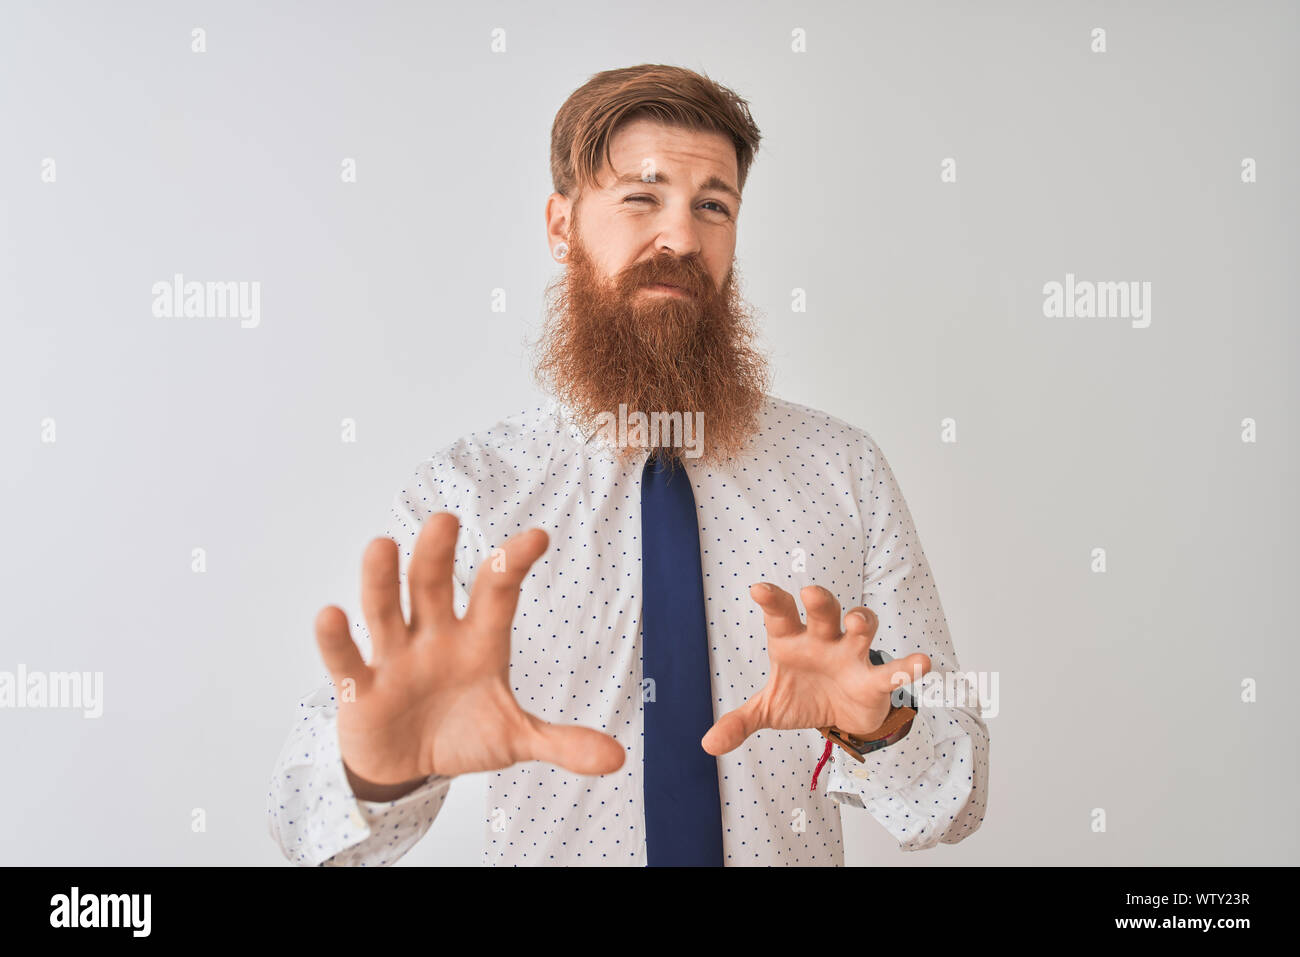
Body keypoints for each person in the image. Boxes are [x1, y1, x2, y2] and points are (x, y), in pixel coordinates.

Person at [266, 63, 989, 866]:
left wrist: (882, 726)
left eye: (712, 205)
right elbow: (310, 834)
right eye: (641, 197)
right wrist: (373, 770)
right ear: (561, 225)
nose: (681, 237)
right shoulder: (465, 495)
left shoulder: (842, 471)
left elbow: (954, 800)